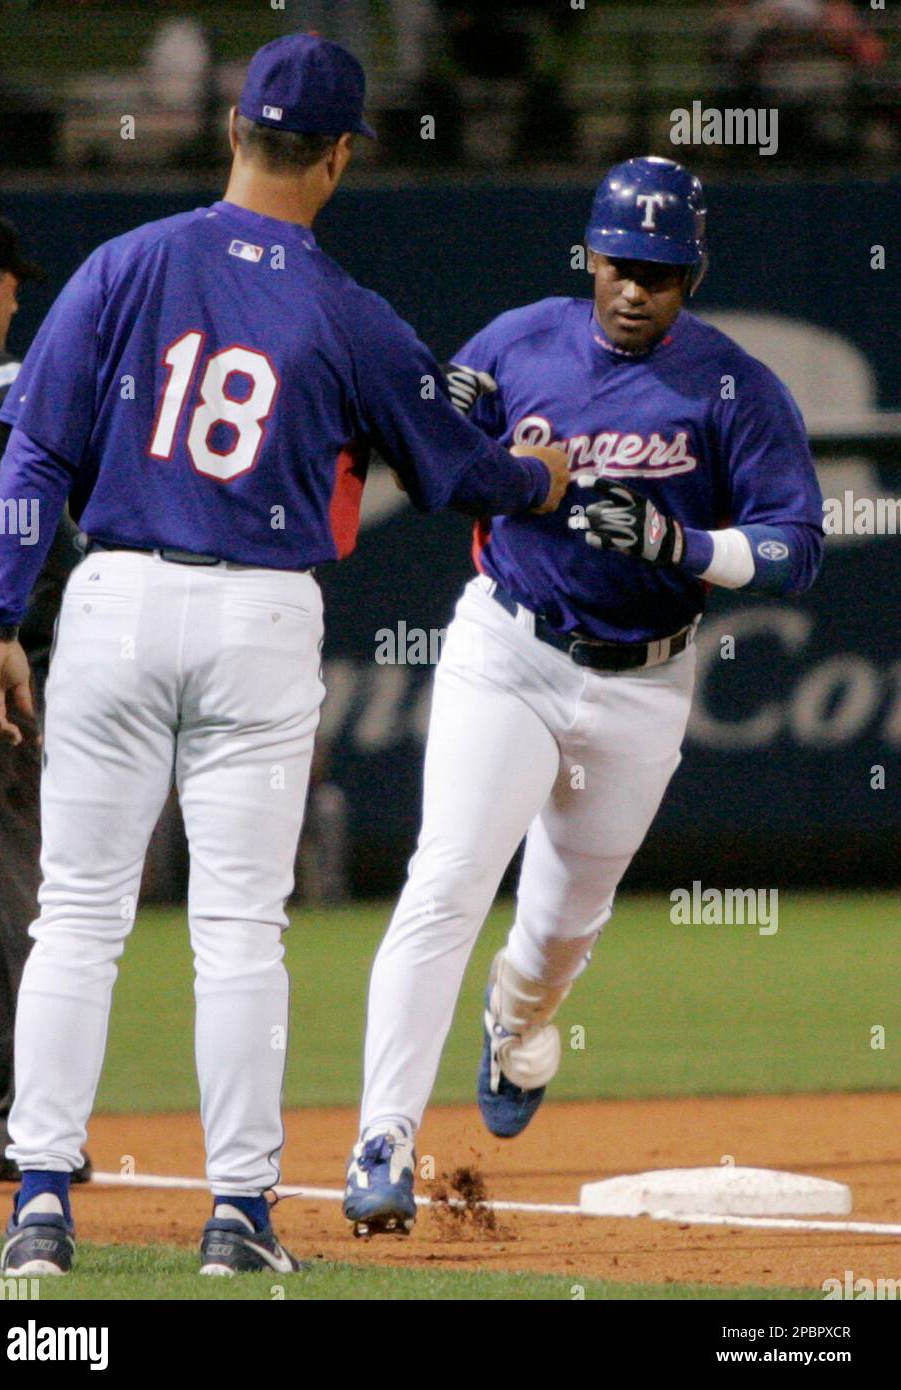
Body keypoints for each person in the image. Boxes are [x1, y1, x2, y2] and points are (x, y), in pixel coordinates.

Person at [0, 33, 569, 1278]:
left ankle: (37, 1205)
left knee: (74, 917)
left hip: (117, 598)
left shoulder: (126, 265)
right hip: (259, 617)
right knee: (238, 926)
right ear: (339, 158)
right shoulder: (346, 311)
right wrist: (538, 474)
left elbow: (31, 456)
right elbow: (455, 471)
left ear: (234, 121)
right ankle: (238, 1216)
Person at [343, 156, 824, 1238]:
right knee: (446, 879)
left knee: (561, 931)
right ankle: (381, 1137)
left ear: (688, 274)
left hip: (644, 681)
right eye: (619, 262)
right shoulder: (520, 339)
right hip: (508, 645)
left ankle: (515, 1020)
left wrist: (680, 541)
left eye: (658, 271)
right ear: (590, 253)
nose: (633, 288)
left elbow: (798, 551)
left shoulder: (732, 386)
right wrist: (443, 410)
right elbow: (428, 453)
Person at [0, 210, 88, 1186]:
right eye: (10, 281)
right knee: (14, 904)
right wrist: (6, 635)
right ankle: (28, 1121)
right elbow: (18, 500)